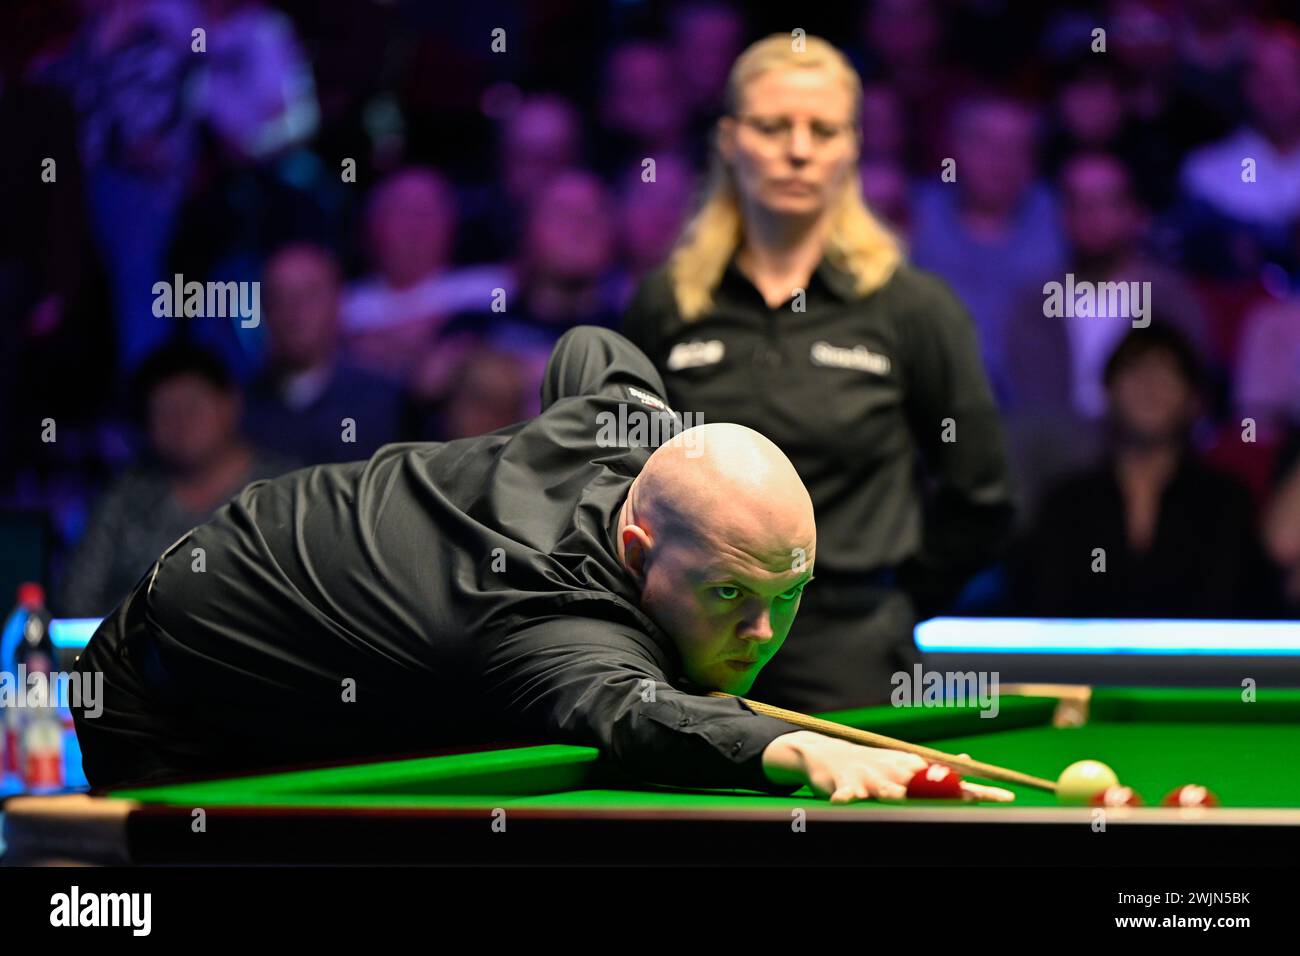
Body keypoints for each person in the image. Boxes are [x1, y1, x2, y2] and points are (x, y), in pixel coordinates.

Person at [73, 326, 927, 802]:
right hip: (170, 696)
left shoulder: (617, 425)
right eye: (732, 593)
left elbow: (593, 349)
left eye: (788, 596)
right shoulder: (550, 622)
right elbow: (640, 716)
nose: (761, 631)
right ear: (637, 548)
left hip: (300, 620)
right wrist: (796, 751)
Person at [621, 34, 1014, 712]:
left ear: (852, 147)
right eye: (773, 127)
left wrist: (887, 601)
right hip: (687, 655)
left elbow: (980, 499)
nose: (798, 149)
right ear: (729, 139)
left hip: (852, 654)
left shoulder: (912, 307)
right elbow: (616, 476)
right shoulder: (667, 303)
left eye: (822, 129)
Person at [1017, 323, 1277, 618]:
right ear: (1107, 393)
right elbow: (1042, 606)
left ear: (1195, 401)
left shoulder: (1225, 501)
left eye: (1166, 374)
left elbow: (1239, 609)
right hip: (1081, 663)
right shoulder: (1067, 502)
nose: (1150, 387)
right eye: (1136, 372)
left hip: (1198, 662)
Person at [56, 344, 295, 617]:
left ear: (230, 404)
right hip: (131, 653)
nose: (180, 423)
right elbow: (73, 605)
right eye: (163, 411)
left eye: (191, 406)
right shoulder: (123, 497)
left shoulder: (285, 491)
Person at [243, 243, 404, 464]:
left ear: (338, 302)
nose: (295, 310)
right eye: (279, 296)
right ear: (264, 311)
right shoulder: (240, 409)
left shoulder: (386, 403)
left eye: (310, 294)